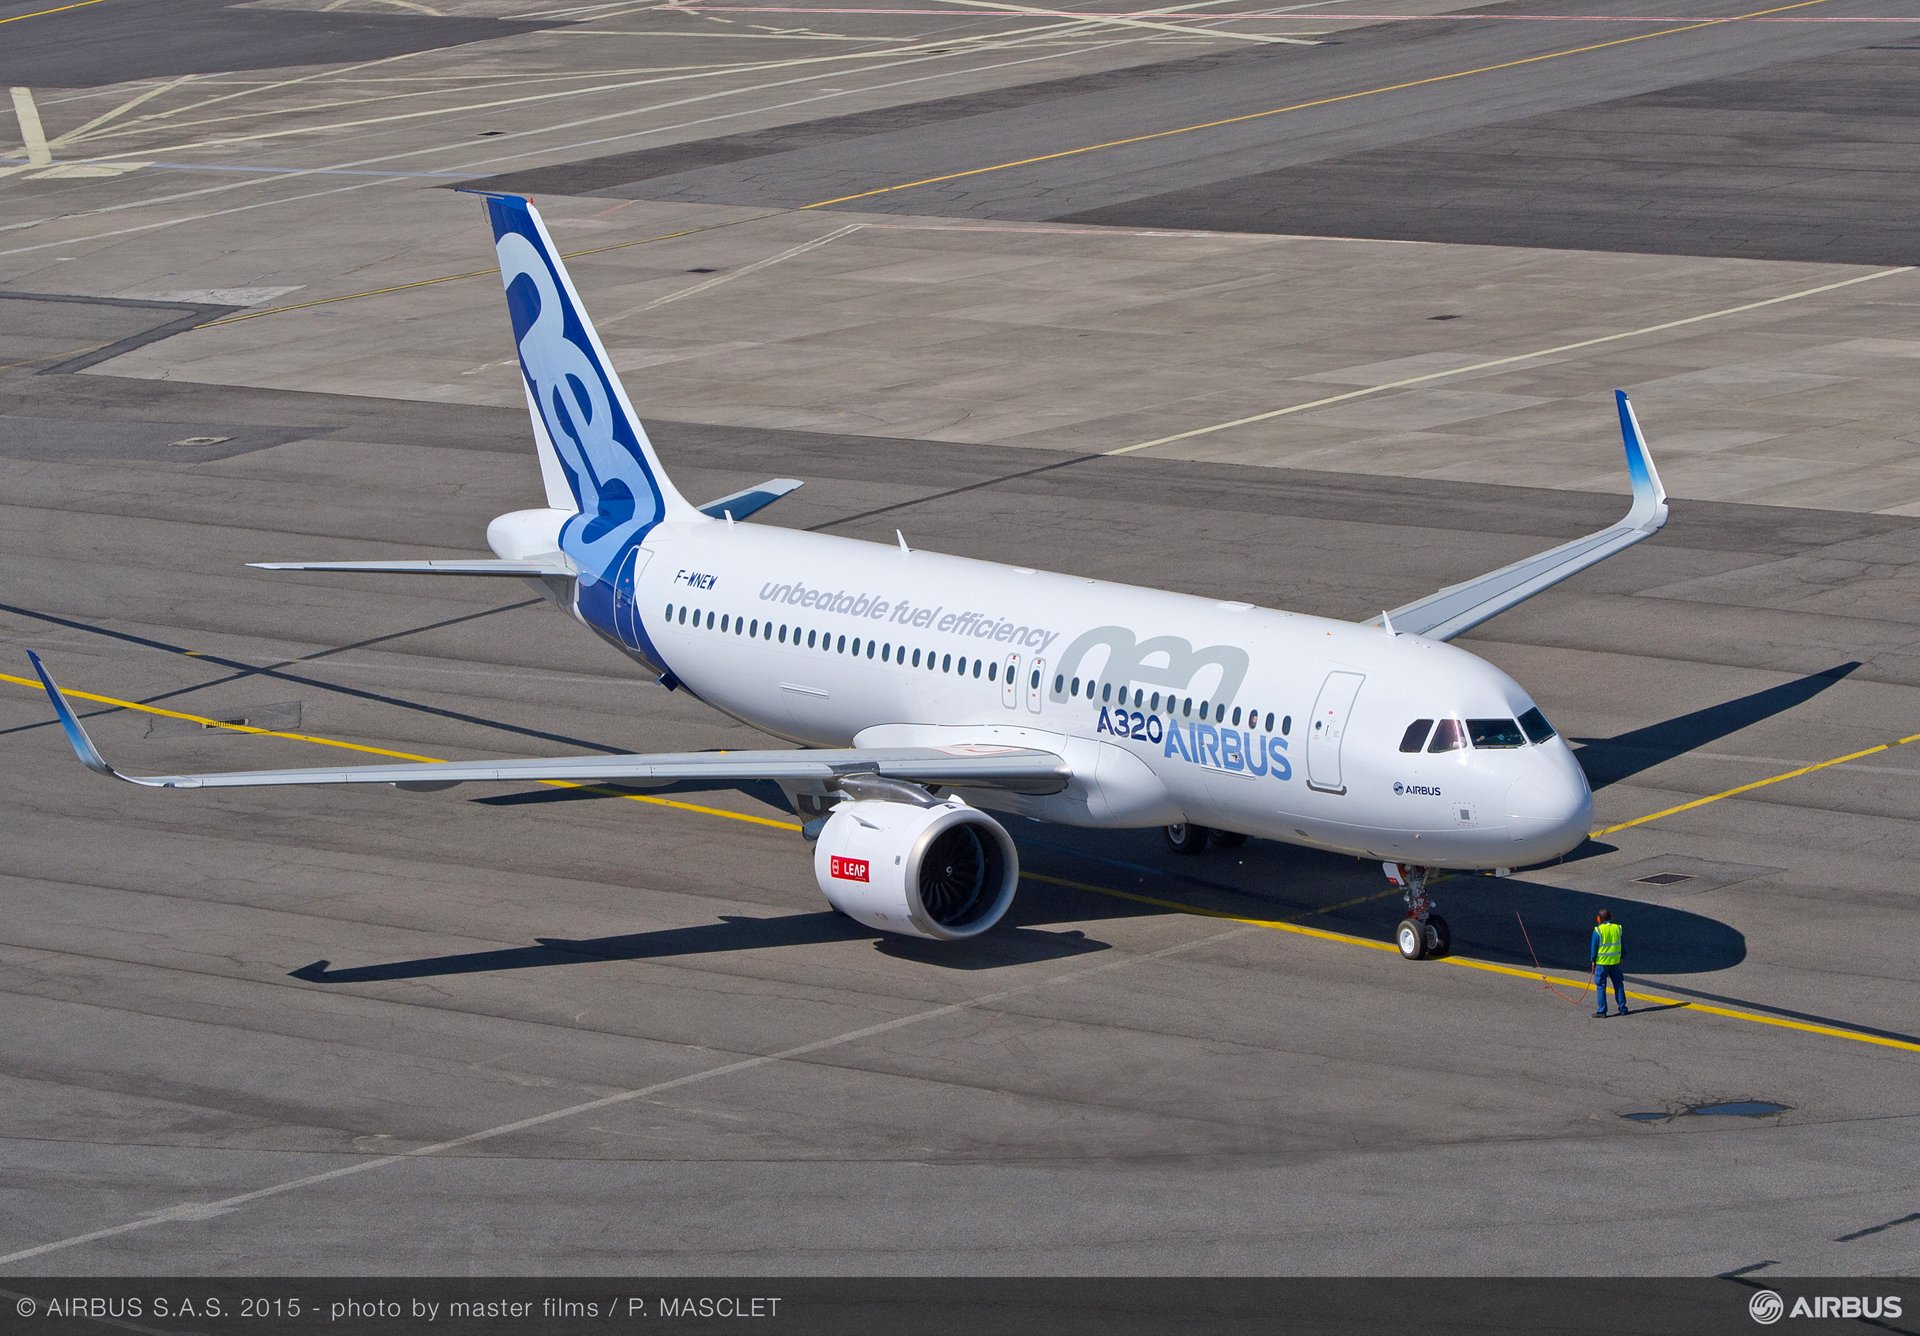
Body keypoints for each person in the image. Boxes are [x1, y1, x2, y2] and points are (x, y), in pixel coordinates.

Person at [1591, 909, 1627, 1017]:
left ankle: (1602, 1011)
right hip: (1615, 962)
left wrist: (1593, 961)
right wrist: (1622, 957)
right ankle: (1623, 1008)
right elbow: (1623, 946)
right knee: (1618, 984)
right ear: (1611, 917)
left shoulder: (1598, 931)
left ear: (1599, 919)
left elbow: (1594, 949)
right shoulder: (1617, 929)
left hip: (1602, 963)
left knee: (1601, 985)